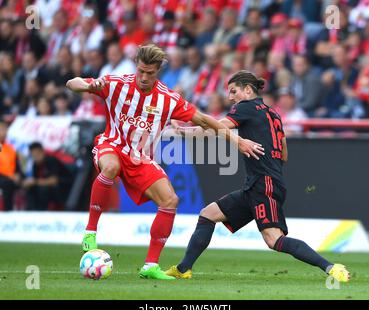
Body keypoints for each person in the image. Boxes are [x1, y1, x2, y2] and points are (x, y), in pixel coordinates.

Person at [66, 44, 264, 280]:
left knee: (170, 200)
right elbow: (72, 83)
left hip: (140, 158)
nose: (144, 77)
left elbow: (203, 119)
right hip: (112, 144)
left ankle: (150, 265)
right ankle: (90, 231)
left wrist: (236, 139)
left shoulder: (168, 99)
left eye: (150, 73)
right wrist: (89, 85)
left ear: (158, 70)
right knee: (110, 167)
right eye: (141, 71)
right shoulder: (116, 83)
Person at [165, 70, 350, 283]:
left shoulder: (245, 107)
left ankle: (331, 268)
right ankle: (183, 268)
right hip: (259, 183)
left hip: (264, 183)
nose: (230, 97)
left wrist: (183, 131)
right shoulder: (274, 114)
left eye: (233, 91)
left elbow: (217, 128)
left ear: (247, 89)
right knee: (208, 214)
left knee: (274, 240)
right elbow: (284, 154)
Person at [22, 142, 73, 211]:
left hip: (64, 187)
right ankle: (32, 210)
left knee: (44, 189)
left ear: (42, 152)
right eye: (33, 156)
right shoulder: (35, 165)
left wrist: (35, 181)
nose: (35, 158)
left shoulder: (51, 161)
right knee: (31, 188)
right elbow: (37, 180)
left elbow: (53, 180)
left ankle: (45, 210)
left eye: (37, 155)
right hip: (47, 187)